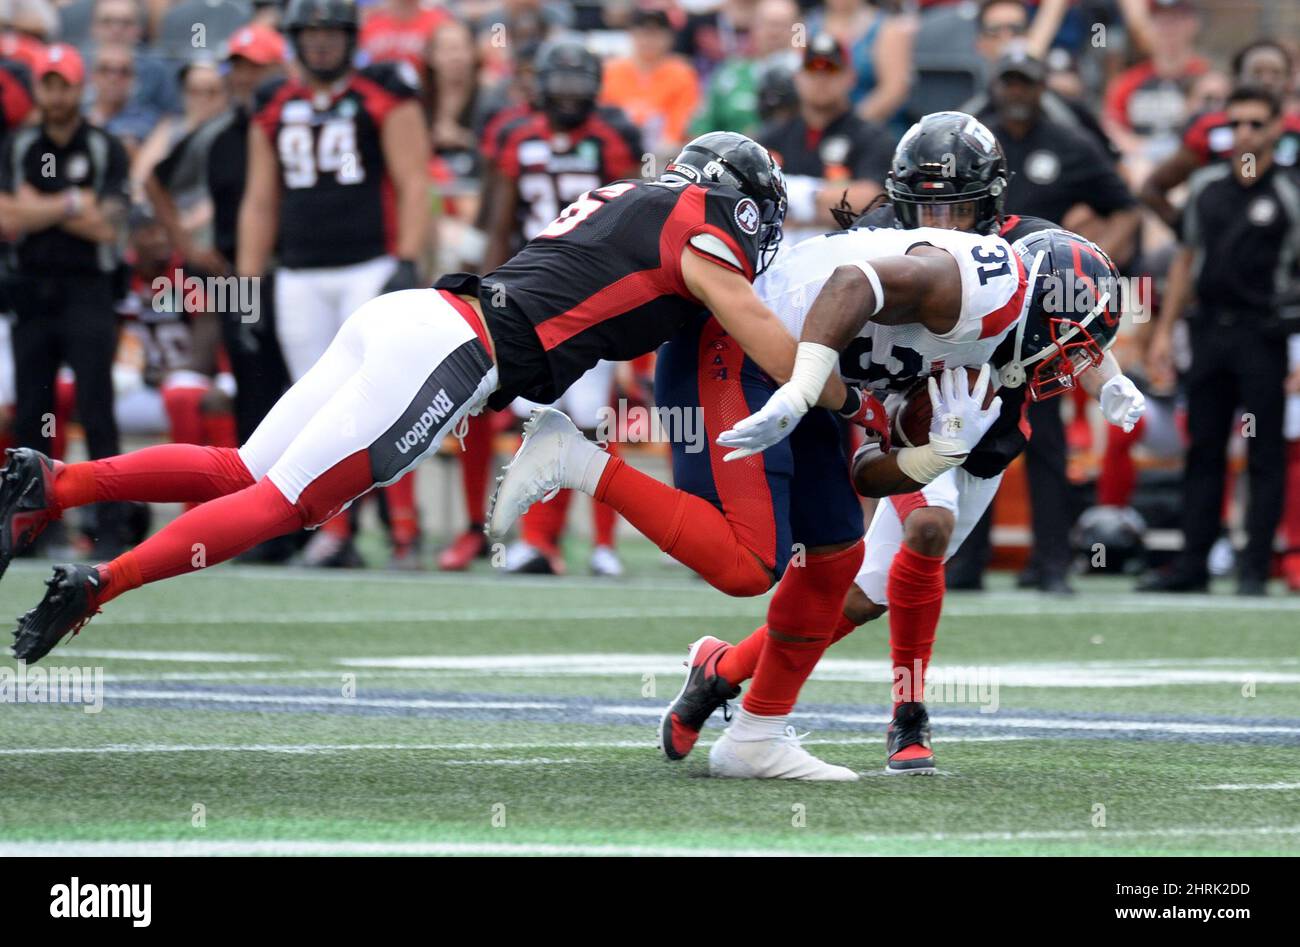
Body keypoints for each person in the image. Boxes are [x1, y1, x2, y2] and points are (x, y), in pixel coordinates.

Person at [0, 132, 812, 668]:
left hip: (414, 316)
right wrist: (827, 391)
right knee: (284, 502)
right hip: (459, 349)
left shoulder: (634, 198)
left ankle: (58, 483)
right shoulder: (697, 218)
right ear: (734, 196)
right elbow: (746, 313)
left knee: (243, 467)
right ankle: (104, 580)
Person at [645, 114, 1143, 776]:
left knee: (861, 596)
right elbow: (848, 292)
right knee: (927, 528)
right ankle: (909, 715)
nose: (943, 222)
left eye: (958, 207)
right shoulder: (889, 248)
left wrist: (1110, 374)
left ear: (991, 202)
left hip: (990, 426)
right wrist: (821, 394)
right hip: (912, 409)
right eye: (930, 206)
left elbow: (1075, 310)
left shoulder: (1024, 249)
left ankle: (722, 669)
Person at [237, 0, 431, 568]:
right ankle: (335, 532)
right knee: (318, 409)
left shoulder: (383, 91)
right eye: (310, 33)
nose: (320, 43)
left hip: (368, 265)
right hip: (298, 272)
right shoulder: (273, 102)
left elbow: (413, 180)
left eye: (331, 32)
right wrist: (249, 284)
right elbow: (259, 199)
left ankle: (405, 531)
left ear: (351, 38)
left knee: (392, 401)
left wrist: (408, 258)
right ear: (294, 39)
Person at [483, 40, 643, 577]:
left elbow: (634, 214)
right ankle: (538, 543)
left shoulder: (614, 135)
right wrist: (489, 288)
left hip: (595, 289)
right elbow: (500, 218)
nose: (570, 94)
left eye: (580, 83)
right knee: (536, 419)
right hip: (531, 290)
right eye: (562, 81)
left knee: (593, 419)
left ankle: (602, 545)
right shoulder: (513, 134)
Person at [1141, 85, 1300, 596]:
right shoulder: (1207, 185)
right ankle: (1192, 565)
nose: (1246, 134)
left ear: (1277, 128)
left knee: (1263, 454)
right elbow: (1187, 259)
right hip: (1208, 331)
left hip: (1264, 334)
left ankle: (1254, 567)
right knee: (1203, 449)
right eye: (1238, 125)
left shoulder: (1290, 192)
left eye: (1257, 124)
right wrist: (1165, 331)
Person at [0, 43, 129, 554]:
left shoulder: (103, 146)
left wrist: (39, 208)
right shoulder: (17, 145)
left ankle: (110, 525)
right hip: (31, 291)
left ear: (79, 88)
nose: (55, 93)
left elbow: (107, 227)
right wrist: (75, 201)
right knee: (34, 411)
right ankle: (34, 526)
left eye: (64, 83)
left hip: (89, 292)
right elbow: (6, 219)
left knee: (97, 408)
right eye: (47, 83)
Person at [757, 32, 894, 245]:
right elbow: (751, 199)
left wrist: (800, 198)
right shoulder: (773, 136)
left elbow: (870, 201)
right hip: (777, 255)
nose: (821, 79)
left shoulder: (871, 138)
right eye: (812, 69)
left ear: (850, 77)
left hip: (843, 253)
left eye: (831, 69)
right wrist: (825, 201)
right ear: (797, 77)